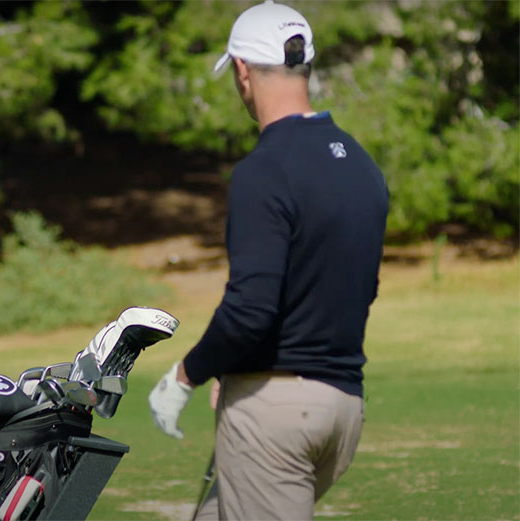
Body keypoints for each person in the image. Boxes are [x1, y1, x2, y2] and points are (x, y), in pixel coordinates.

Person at [147, 1, 389, 519]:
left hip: (275, 415)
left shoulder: (264, 169)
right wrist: (237, 364)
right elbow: (350, 290)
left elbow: (251, 308)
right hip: (343, 406)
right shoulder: (359, 162)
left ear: (241, 70)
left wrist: (186, 375)